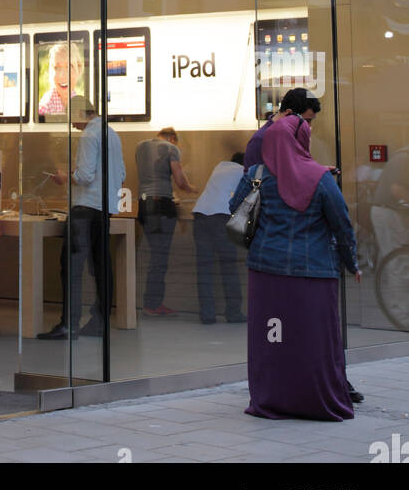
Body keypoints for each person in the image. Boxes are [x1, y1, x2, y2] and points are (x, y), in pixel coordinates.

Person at [229, 112, 360, 421]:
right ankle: (314, 400)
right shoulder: (320, 177)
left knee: (273, 339)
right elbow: (342, 224)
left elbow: (235, 207)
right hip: (312, 274)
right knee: (311, 340)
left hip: (266, 272)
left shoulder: (257, 173)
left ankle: (271, 399)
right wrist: (351, 262)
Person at [38, 97, 126, 340]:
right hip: (104, 208)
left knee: (71, 268)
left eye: (70, 117)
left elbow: (86, 176)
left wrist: (65, 177)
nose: (70, 123)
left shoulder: (89, 135)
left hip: (85, 209)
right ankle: (100, 322)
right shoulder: (111, 133)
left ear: (79, 113)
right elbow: (122, 173)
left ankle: (69, 324)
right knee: (101, 266)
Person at [135, 127, 197, 316]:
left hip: (144, 206)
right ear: (172, 138)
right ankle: (153, 304)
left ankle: (150, 302)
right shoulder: (171, 148)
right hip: (161, 206)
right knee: (159, 259)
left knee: (154, 256)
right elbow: (180, 180)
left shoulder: (140, 147)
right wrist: (193, 188)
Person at [192, 151, 246, 324]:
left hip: (200, 215)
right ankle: (233, 312)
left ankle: (207, 314)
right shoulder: (244, 172)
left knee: (204, 268)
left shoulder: (220, 166)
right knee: (228, 266)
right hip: (221, 217)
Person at [244, 87, 321, 168]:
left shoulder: (293, 135)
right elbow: (252, 177)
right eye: (306, 121)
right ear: (288, 113)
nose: (308, 127)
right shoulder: (260, 140)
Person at [370, 143, 409, 260]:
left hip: (387, 210)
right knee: (397, 259)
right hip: (387, 211)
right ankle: (394, 279)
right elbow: (397, 189)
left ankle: (384, 278)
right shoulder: (403, 158)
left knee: (389, 256)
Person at [38, 40, 85, 119]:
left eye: (70, 66)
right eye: (57, 67)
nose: (62, 75)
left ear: (79, 70)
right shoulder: (45, 108)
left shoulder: (78, 101)